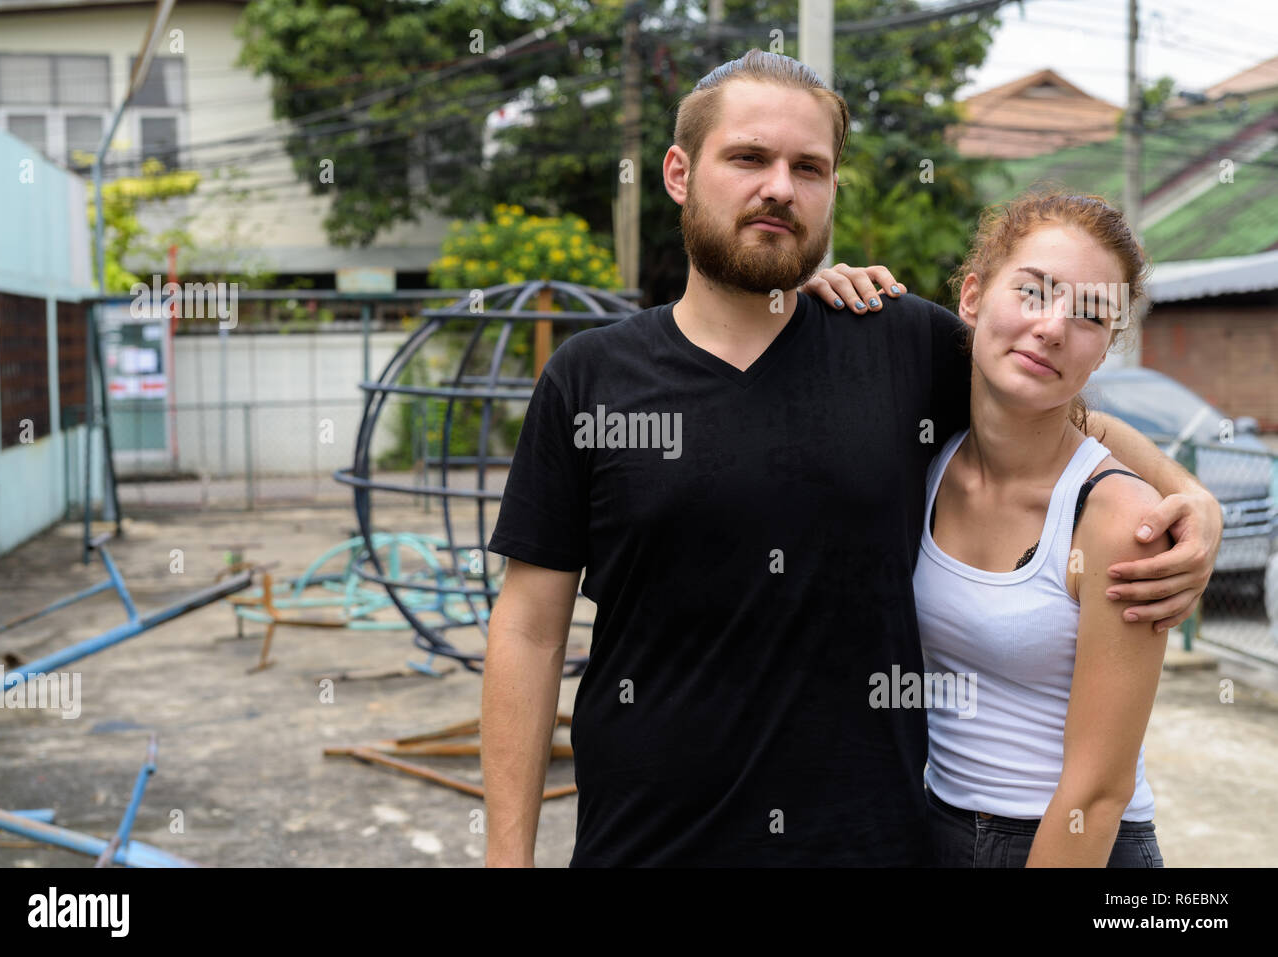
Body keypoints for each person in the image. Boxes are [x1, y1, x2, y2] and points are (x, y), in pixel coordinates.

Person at [480, 49, 1221, 867]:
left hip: (872, 846)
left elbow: (1052, 407)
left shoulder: (902, 342)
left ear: (832, 189)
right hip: (644, 845)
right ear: (680, 173)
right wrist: (507, 858)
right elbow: (528, 632)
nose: (779, 188)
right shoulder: (588, 377)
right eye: (749, 158)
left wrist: (1189, 493)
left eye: (810, 167)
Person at [925, 192, 1169, 866]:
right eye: (1034, 291)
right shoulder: (925, 457)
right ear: (973, 297)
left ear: (1103, 351)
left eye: (1092, 315)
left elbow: (1097, 793)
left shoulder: (1118, 519)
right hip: (933, 822)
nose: (1054, 327)